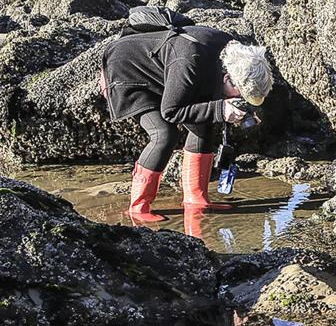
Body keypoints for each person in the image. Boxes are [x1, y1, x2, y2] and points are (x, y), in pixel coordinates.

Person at [101, 18, 273, 223]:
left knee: (203, 124)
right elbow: (171, 112)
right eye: (240, 95)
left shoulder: (232, 53)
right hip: (127, 71)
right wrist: (220, 108)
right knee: (164, 134)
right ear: (227, 78)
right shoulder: (189, 62)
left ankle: (196, 199)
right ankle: (138, 207)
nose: (239, 101)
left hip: (168, 74)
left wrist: (245, 110)